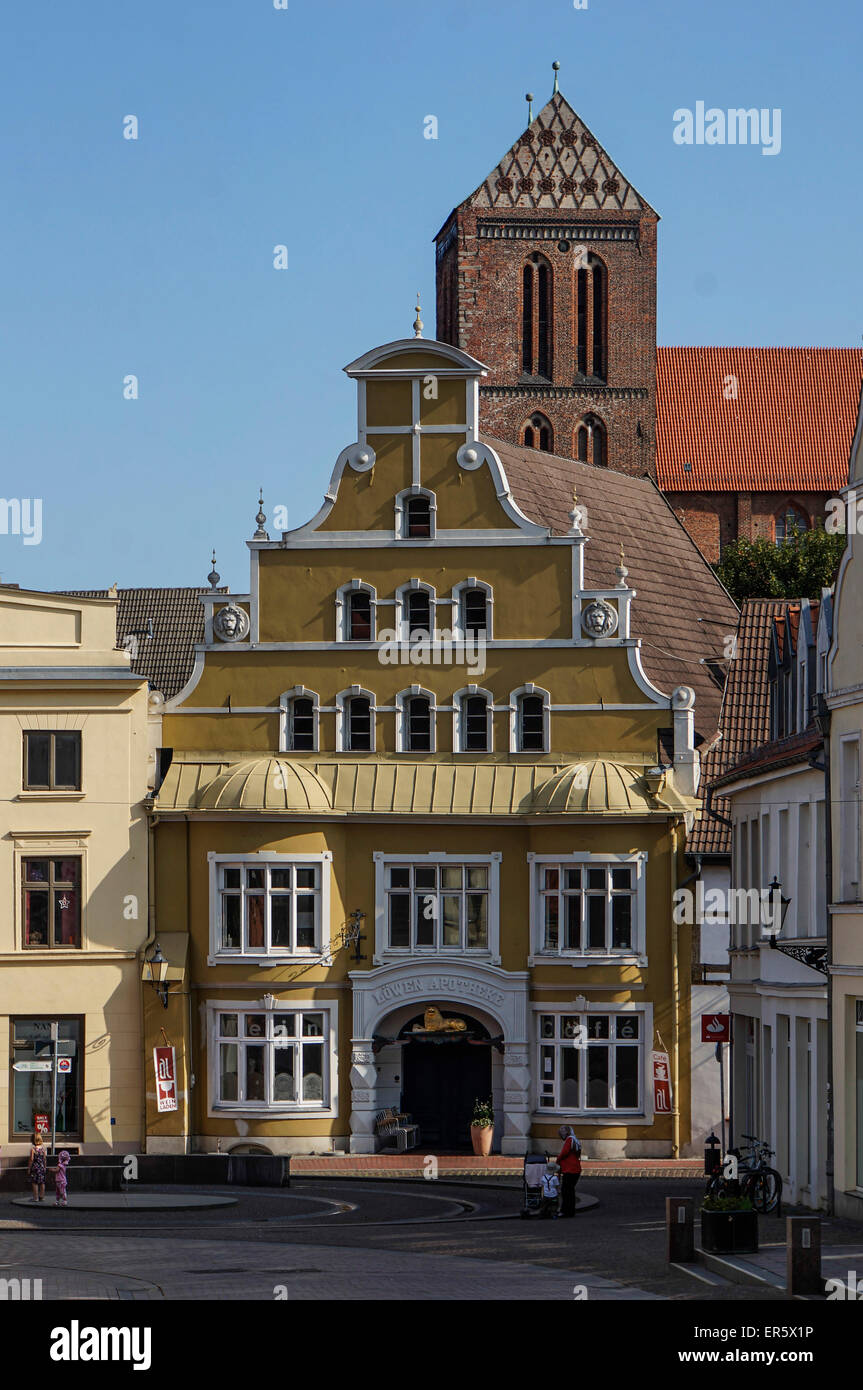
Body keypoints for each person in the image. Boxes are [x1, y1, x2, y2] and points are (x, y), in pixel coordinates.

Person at [556, 1124, 582, 1217]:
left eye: (562, 1130)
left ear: (567, 1132)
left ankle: (565, 1211)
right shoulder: (575, 1140)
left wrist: (557, 1160)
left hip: (570, 1169)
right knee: (570, 1191)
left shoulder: (569, 1140)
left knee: (566, 1191)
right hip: (575, 1169)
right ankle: (570, 1211)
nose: (561, 1132)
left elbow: (564, 1153)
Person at [27, 1132, 47, 1203]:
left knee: (34, 1182)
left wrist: (29, 1168)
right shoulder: (43, 1149)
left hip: (35, 1168)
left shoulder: (33, 1149)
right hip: (41, 1167)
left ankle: (35, 1198)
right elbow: (44, 1159)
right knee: (42, 1182)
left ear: (33, 1140)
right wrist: (45, 1167)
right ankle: (42, 1196)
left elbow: (31, 1159)